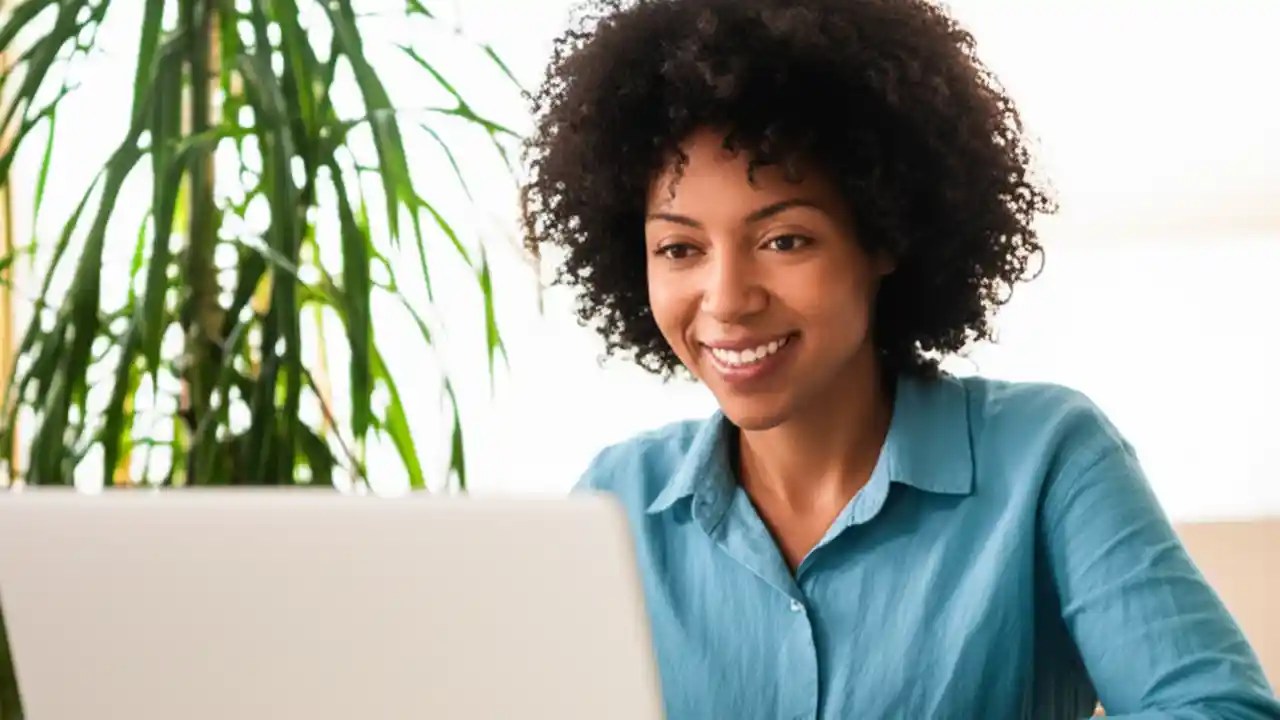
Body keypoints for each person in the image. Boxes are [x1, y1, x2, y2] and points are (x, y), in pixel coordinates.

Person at [519, 0, 1280, 717]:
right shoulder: (614, 505)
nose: (726, 298)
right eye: (680, 248)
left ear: (883, 236)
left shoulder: (1047, 459)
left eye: (785, 240)